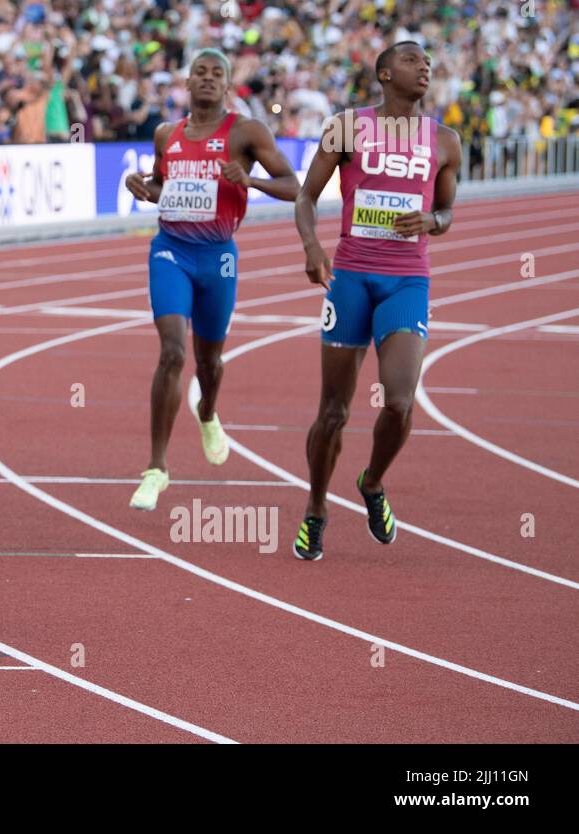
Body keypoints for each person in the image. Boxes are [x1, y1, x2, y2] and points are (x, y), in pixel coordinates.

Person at [291, 40, 461, 561]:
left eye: (428, 61)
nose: (424, 66)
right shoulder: (347, 127)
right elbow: (306, 195)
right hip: (351, 278)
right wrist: (313, 246)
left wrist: (432, 221)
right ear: (384, 74)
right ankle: (316, 508)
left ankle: (371, 481)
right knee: (334, 411)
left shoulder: (446, 140)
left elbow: (449, 212)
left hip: (408, 280)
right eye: (412, 60)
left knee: (400, 401)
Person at [123, 49, 299, 511]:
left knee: (210, 362)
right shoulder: (168, 134)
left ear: (226, 85)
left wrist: (251, 182)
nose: (206, 79)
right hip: (171, 251)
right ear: (187, 81)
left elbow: (295, 186)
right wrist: (139, 186)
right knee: (172, 351)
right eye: (199, 72)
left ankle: (207, 412)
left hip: (218, 256)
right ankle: (156, 468)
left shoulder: (245, 132)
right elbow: (162, 186)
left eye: (216, 73)